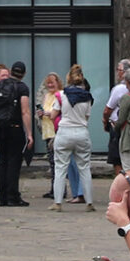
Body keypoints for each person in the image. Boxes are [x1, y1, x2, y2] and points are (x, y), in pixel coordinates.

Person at [0, 60, 34, 206]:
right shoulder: (22, 88)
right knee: (14, 162)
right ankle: (13, 196)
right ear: (23, 74)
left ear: (11, 72)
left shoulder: (0, 85)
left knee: (2, 161)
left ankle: (2, 197)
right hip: (14, 127)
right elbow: (25, 111)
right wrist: (29, 133)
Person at [52, 64, 94, 210]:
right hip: (81, 132)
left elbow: (53, 114)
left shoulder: (62, 95)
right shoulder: (87, 97)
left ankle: (57, 202)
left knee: (60, 168)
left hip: (64, 132)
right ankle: (89, 202)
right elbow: (87, 116)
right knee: (85, 168)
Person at [104, 60, 130, 174]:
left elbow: (108, 109)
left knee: (117, 159)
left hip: (119, 126)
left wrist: (105, 121)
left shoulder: (119, 89)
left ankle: (121, 185)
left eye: (119, 70)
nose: (118, 73)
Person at [37, 71, 65, 200]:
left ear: (58, 83)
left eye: (52, 82)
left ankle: (60, 190)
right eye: (47, 83)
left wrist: (48, 113)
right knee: (51, 161)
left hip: (57, 131)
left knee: (58, 162)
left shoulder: (60, 95)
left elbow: (61, 112)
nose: (49, 85)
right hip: (47, 131)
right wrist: (40, 114)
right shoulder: (46, 95)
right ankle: (54, 188)